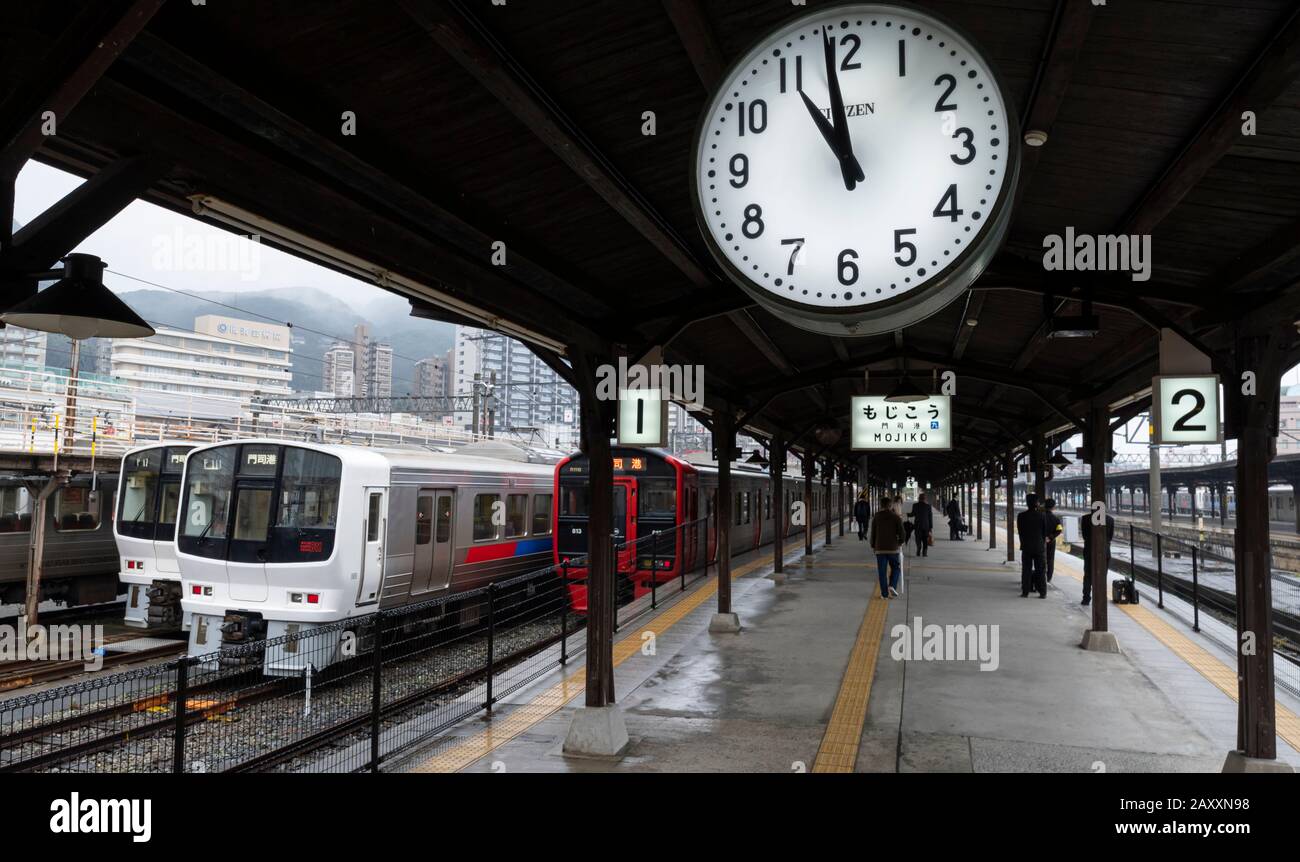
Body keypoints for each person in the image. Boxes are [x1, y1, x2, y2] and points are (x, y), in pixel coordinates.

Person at [869, 495, 905, 599]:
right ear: (890, 505)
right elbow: (902, 533)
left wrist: (873, 545)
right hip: (893, 548)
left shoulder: (876, 516)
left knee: (882, 572)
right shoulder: (896, 517)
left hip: (879, 548)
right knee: (896, 568)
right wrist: (900, 542)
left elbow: (873, 533)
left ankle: (884, 594)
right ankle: (892, 585)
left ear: (881, 505)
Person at [1079, 510, 1115, 606]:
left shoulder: (1085, 518)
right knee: (1102, 576)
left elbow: (1084, 536)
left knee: (1088, 575)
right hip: (1105, 551)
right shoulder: (1110, 519)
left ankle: (1086, 598)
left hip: (1089, 551)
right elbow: (1110, 537)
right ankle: (1100, 598)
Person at [1016, 493, 1048, 598]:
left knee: (1026, 570)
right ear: (1036, 503)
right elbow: (1044, 532)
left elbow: (1020, 531)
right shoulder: (1042, 516)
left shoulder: (1021, 516)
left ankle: (1025, 592)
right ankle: (1042, 592)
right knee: (1041, 570)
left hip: (1026, 547)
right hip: (1039, 547)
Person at [1042, 498, 1062, 583]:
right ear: (1053, 507)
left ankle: (1041, 575)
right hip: (1051, 541)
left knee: (1040, 558)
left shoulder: (1040, 517)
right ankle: (1049, 577)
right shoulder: (1056, 519)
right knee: (1050, 559)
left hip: (1040, 541)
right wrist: (1050, 537)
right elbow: (1059, 530)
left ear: (1044, 506)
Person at [907, 493, 933, 557]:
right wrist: (931, 527)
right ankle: (924, 552)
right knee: (925, 539)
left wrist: (907, 514)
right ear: (925, 499)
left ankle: (918, 549)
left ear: (919, 498)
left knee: (918, 538)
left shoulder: (915, 505)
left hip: (917, 525)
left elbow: (912, 514)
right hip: (926, 526)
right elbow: (930, 517)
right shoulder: (928, 506)